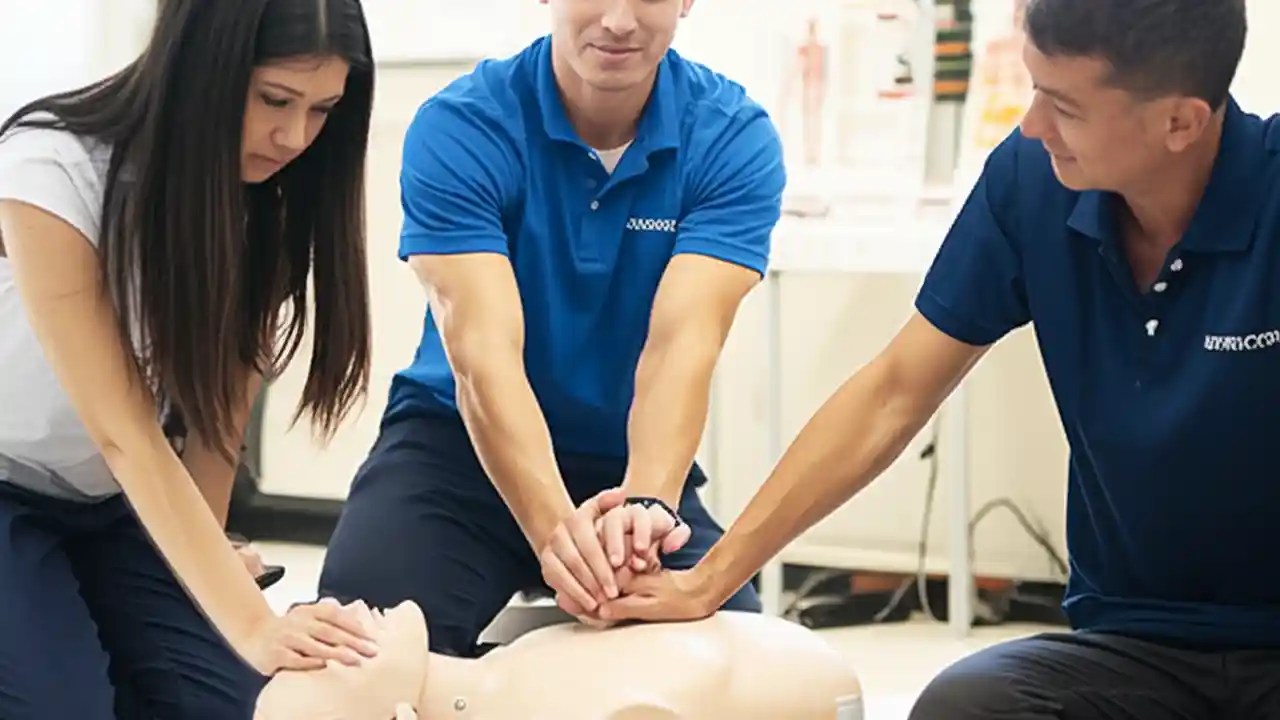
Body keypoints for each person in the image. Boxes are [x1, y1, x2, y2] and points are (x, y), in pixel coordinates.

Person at [599, 1, 1280, 718]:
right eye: (1034, 91)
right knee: (963, 705)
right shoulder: (1031, 182)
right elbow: (894, 391)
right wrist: (710, 577)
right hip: (1133, 645)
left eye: (1065, 107)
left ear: (1180, 122)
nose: (1032, 126)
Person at [318, 0, 786, 656]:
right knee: (357, 651)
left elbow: (683, 345)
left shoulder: (730, 137)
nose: (619, 21)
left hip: (626, 463)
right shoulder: (463, 126)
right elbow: (484, 355)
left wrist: (646, 513)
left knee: (737, 664)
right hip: (456, 448)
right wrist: (554, 535)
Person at [0, 0, 383, 716]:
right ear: (201, 67)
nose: (295, 136)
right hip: (14, 482)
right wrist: (251, 621)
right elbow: (124, 431)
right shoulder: (49, 164)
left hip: (113, 507)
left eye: (323, 109)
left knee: (242, 702)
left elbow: (212, 429)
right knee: (62, 706)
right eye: (275, 99)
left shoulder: (259, 201)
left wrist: (206, 569)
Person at [254, 600, 865, 720]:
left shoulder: (508, 674)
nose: (336, 607)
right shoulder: (549, 706)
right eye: (325, 656)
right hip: (812, 691)